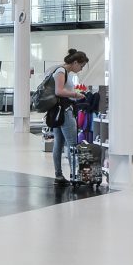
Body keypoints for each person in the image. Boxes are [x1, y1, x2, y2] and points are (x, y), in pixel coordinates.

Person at [48, 50, 89, 184]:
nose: (81, 69)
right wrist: (76, 95)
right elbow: (59, 91)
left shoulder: (61, 71)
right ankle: (75, 176)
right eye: (81, 66)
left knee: (59, 144)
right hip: (64, 111)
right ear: (75, 62)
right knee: (72, 144)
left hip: (58, 111)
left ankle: (59, 176)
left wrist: (74, 93)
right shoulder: (61, 71)